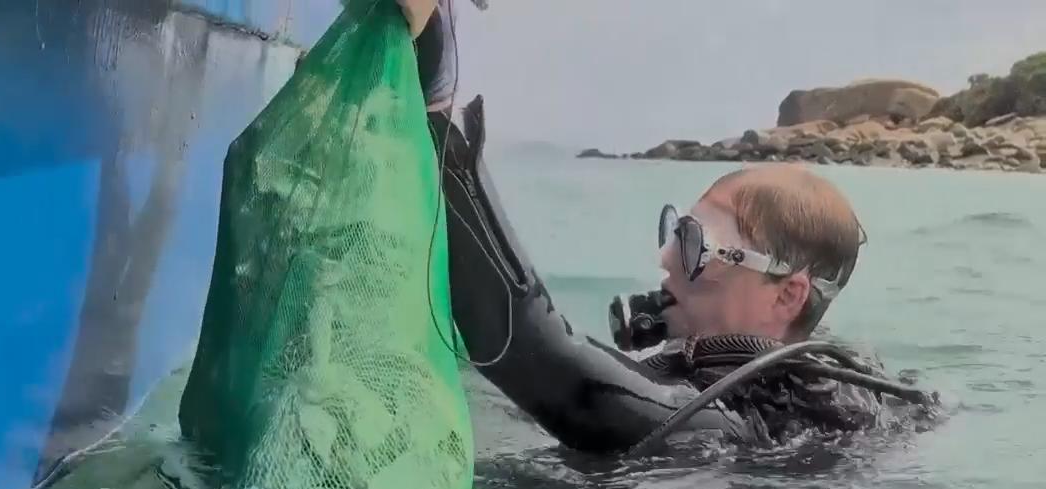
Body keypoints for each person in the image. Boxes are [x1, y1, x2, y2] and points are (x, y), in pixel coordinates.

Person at [396, 0, 936, 455]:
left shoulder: (763, 426)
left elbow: (559, 372)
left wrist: (439, 94)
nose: (665, 260)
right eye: (677, 232)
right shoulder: (692, 370)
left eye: (696, 246)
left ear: (787, 295)